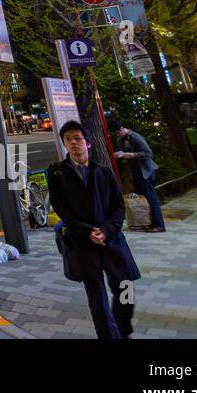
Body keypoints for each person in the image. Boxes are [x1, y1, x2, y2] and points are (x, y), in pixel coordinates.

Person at [47, 120, 141, 339]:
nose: (73, 143)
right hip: (82, 242)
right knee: (96, 296)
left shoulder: (103, 172)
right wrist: (87, 232)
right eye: (68, 139)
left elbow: (118, 206)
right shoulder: (57, 172)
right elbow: (61, 208)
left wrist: (106, 231)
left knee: (125, 287)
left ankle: (123, 329)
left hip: (111, 239)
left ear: (88, 143)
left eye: (77, 138)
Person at [108, 117, 165, 232]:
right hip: (136, 172)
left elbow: (148, 153)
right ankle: (145, 221)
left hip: (145, 171)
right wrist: (120, 154)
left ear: (122, 129)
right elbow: (125, 153)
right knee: (141, 197)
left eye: (118, 133)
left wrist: (131, 155)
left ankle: (159, 224)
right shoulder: (122, 140)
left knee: (151, 197)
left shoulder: (135, 137)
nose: (118, 135)